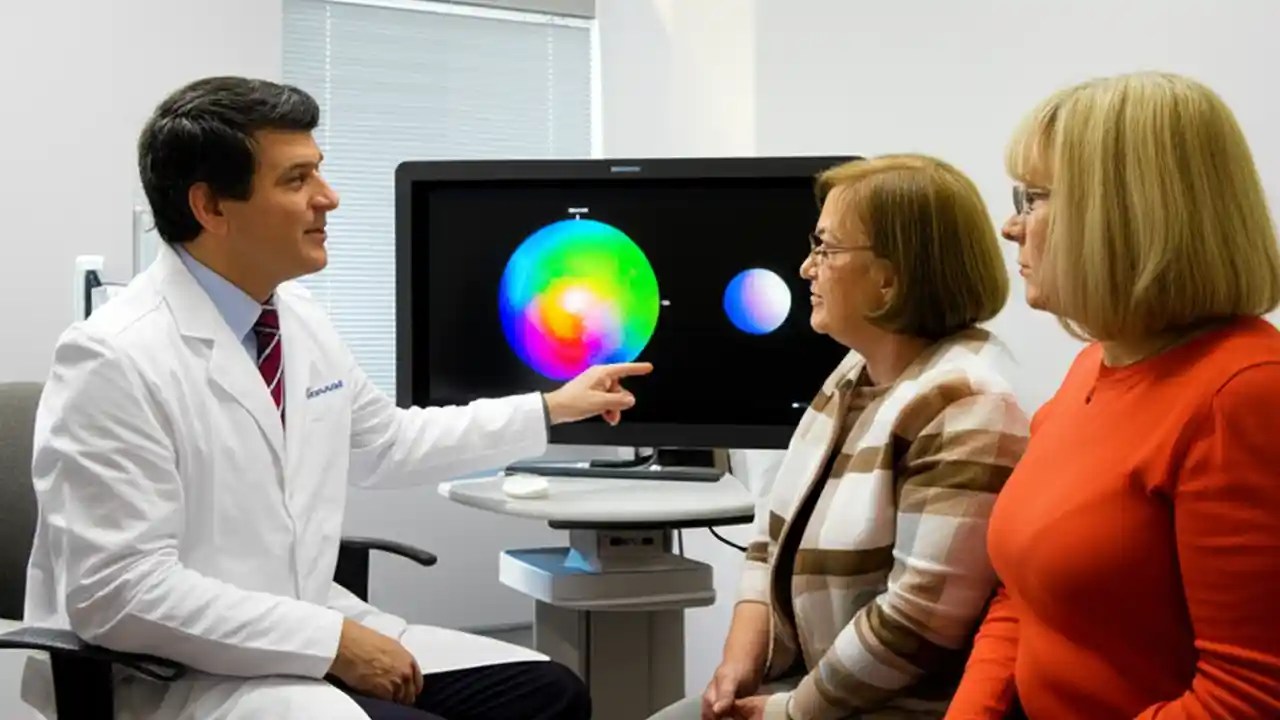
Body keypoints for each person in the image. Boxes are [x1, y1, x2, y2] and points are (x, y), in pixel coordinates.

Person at [21, 76, 650, 720]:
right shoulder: (113, 357)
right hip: (182, 673)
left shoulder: (299, 319)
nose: (329, 198)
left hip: (301, 630)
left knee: (549, 695)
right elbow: (118, 592)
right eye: (296, 181)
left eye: (318, 174)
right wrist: (330, 643)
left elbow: (387, 444)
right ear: (211, 207)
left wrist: (550, 409)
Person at [944, 71, 1280, 719]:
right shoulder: (1092, 366)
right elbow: (1023, 597)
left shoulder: (1244, 395)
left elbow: (1247, 699)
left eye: (1033, 198)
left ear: (1129, 215)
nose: (1012, 226)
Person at [648, 155, 1030, 720]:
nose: (806, 267)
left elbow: (915, 622)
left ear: (890, 277)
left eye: (826, 248)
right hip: (814, 689)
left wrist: (788, 711)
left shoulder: (969, 405)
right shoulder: (854, 374)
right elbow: (769, 532)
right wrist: (738, 661)